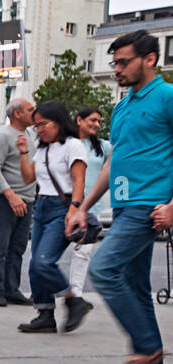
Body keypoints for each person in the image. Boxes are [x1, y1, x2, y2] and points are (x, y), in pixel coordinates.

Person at [68, 30, 172, 364]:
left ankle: (147, 349)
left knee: (104, 269)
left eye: (123, 62)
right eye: (114, 63)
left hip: (149, 206)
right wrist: (83, 207)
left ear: (150, 59)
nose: (117, 69)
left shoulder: (167, 97)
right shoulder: (123, 106)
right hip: (125, 205)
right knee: (135, 285)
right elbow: (114, 162)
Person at [16, 101, 91, 334]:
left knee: (43, 262)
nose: (40, 130)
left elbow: (79, 180)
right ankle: (45, 315)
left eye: (44, 124)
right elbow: (28, 178)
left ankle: (73, 300)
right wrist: (24, 152)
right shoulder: (43, 149)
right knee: (35, 266)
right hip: (42, 207)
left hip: (62, 207)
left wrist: (74, 209)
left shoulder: (73, 145)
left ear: (58, 121)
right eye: (37, 126)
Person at [0, 98, 36, 307]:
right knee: (0, 247)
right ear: (17, 113)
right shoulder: (4, 136)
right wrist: (10, 195)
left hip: (27, 201)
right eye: (30, 109)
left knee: (17, 248)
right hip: (6, 201)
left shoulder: (31, 135)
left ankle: (12, 289)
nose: (34, 113)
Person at [67, 107, 109, 303]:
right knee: (49, 254)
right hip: (65, 206)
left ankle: (76, 295)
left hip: (90, 210)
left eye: (99, 121)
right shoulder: (66, 143)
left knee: (83, 253)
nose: (97, 124)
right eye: (92, 120)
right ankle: (43, 291)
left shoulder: (104, 147)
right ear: (79, 120)